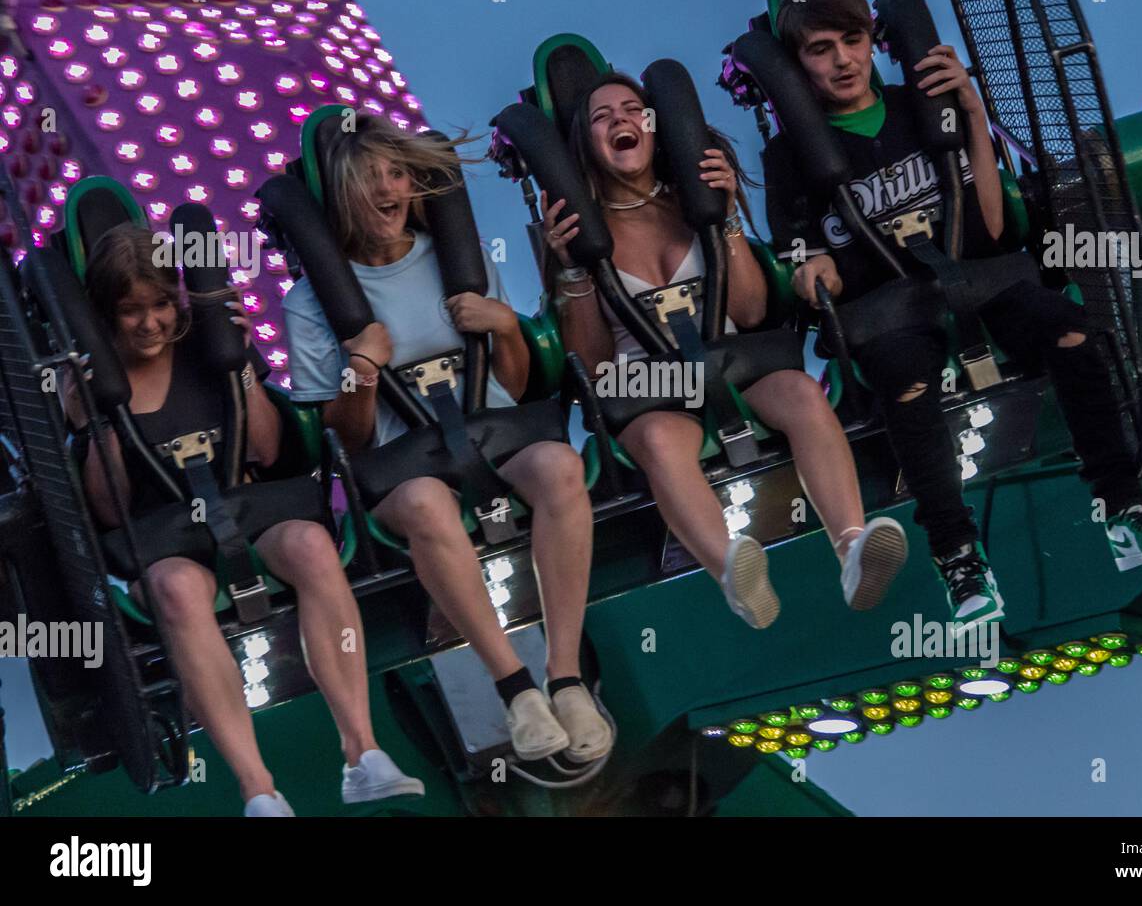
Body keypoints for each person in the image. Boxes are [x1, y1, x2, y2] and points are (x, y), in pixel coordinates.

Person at [760, 0, 1142, 636]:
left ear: (873, 41)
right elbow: (799, 261)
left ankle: (1123, 509)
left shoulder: (922, 108)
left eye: (851, 40)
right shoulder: (788, 156)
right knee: (907, 386)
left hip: (975, 274)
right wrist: (812, 268)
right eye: (821, 49)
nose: (842, 60)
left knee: (1071, 330)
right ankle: (959, 558)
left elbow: (992, 226)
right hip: (889, 307)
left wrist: (969, 113)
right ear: (798, 65)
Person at [283, 113, 611, 764]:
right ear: (340, 195)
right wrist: (362, 373)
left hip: (489, 429)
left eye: (396, 172)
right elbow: (342, 440)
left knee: (561, 468)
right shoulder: (308, 302)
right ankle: (514, 686)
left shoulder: (456, 258)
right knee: (430, 505)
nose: (386, 189)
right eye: (367, 177)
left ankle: (566, 677)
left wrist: (506, 328)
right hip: (402, 463)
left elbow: (513, 388)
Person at [64, 223, 424, 816]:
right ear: (106, 312)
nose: (150, 323)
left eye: (160, 304)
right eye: (131, 311)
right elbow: (110, 513)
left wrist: (241, 365)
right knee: (175, 588)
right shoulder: (89, 383)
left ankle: (363, 753)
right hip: (169, 541)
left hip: (252, 512)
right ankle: (258, 789)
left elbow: (269, 451)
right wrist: (92, 425)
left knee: (312, 543)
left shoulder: (210, 347)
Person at [541, 71, 909, 630]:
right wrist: (572, 271)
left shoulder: (693, 201)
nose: (619, 120)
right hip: (649, 389)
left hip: (730, 357)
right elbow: (593, 368)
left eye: (631, 109)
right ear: (585, 148)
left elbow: (754, 313)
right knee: (662, 441)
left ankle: (853, 547)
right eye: (600, 116)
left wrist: (728, 215)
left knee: (803, 395)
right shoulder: (576, 232)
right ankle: (731, 570)